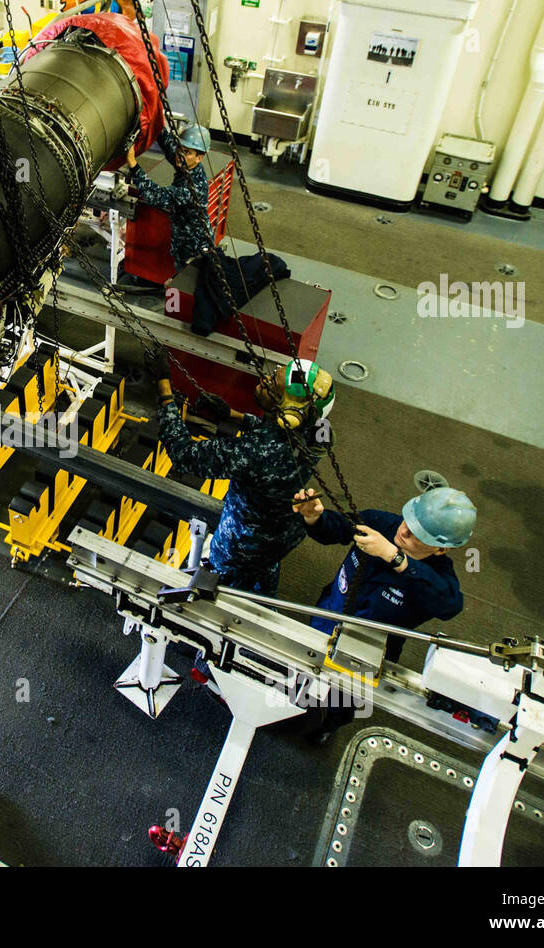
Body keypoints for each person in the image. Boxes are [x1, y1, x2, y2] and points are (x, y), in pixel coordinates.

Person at [151, 351, 336, 596]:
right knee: (265, 574)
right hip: (282, 535)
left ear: (290, 412)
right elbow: (275, 431)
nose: (264, 381)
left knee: (220, 594)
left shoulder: (254, 453)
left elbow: (184, 455)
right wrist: (232, 415)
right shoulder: (318, 431)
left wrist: (164, 386)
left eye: (273, 385)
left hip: (241, 548)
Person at [125, 125, 290, 335]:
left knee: (187, 292)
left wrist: (133, 164)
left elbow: (159, 196)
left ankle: (178, 327)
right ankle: (176, 308)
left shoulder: (192, 185)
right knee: (178, 285)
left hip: (194, 254)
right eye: (180, 148)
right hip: (186, 246)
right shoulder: (187, 166)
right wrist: (158, 125)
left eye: (187, 152)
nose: (179, 155)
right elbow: (170, 148)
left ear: (200, 157)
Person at [293, 485, 474, 662]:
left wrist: (395, 558)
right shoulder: (380, 523)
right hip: (328, 614)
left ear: (441, 549)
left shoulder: (439, 577)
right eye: (407, 521)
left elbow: (449, 606)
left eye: (416, 534)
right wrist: (314, 518)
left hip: (366, 652)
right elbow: (336, 529)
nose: (403, 531)